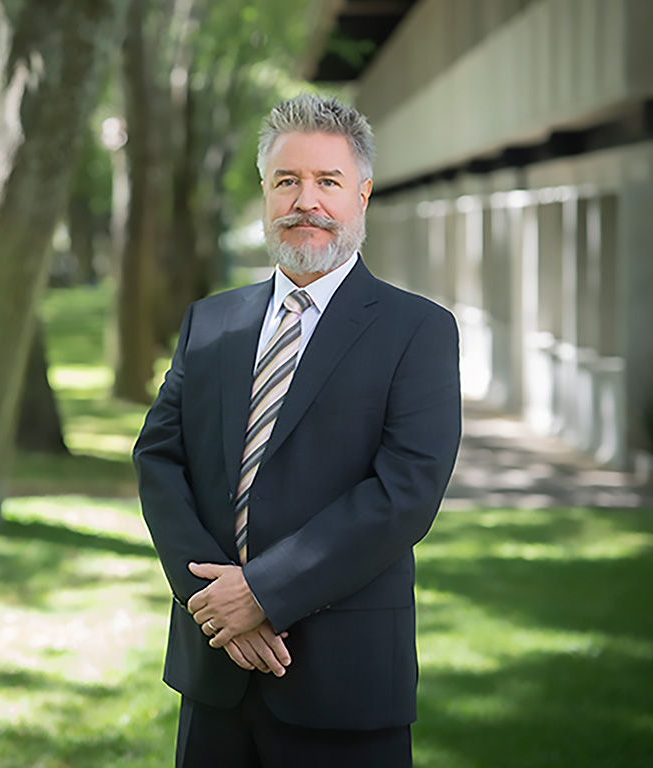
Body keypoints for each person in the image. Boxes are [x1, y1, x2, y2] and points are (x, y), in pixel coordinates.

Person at [133, 93, 462, 767]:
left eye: (327, 181)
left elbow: (404, 493)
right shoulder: (211, 322)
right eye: (287, 180)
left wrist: (263, 593)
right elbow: (159, 460)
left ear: (361, 194)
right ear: (265, 192)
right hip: (215, 676)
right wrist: (214, 602)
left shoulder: (418, 331)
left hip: (345, 684)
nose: (304, 200)